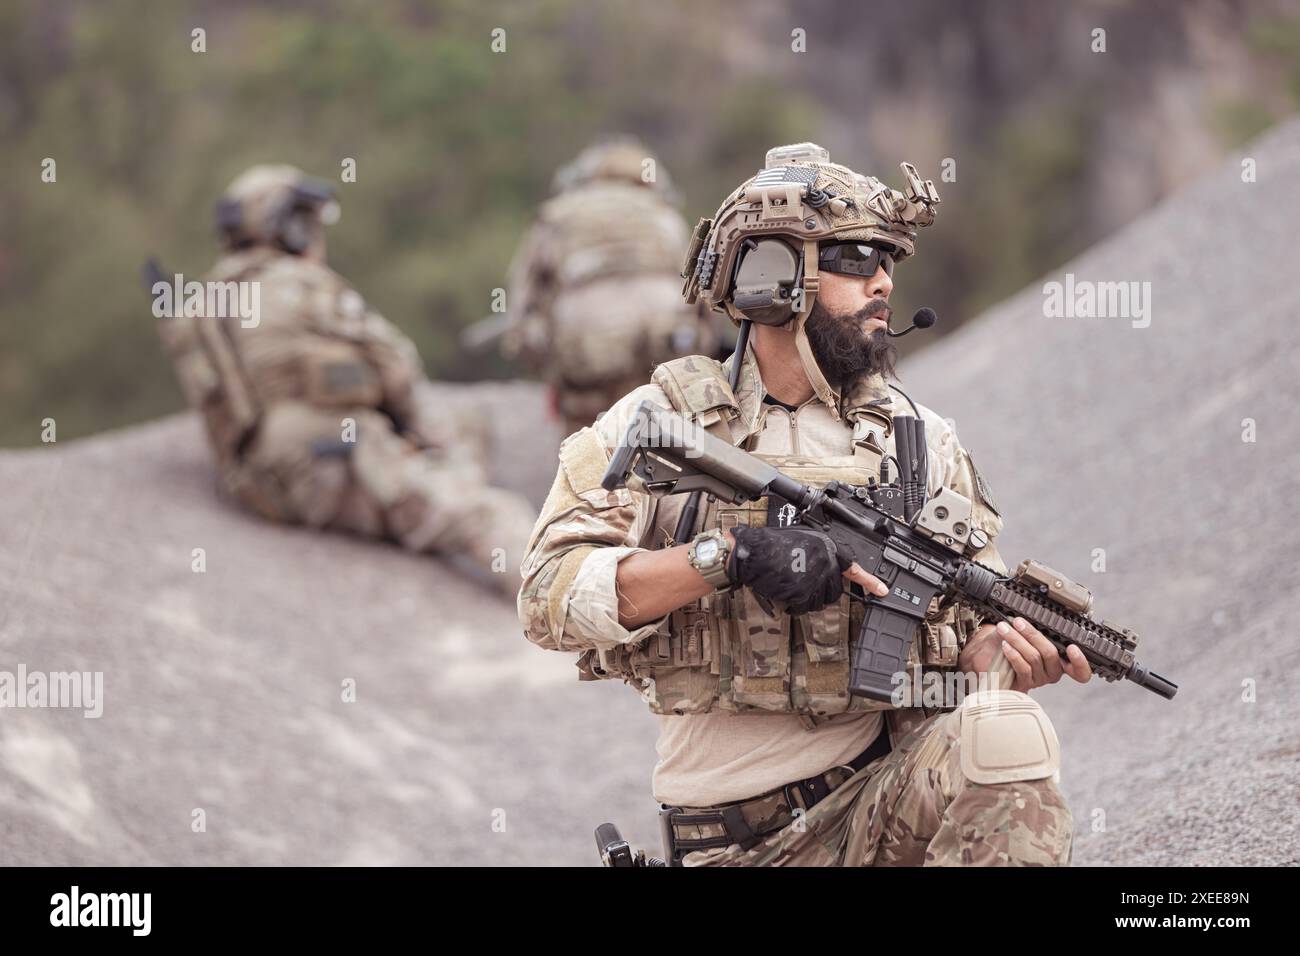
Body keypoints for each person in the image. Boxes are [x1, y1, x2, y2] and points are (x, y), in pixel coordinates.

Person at [518, 143, 1092, 865]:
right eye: (854, 256)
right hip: (734, 842)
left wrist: (998, 661)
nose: (883, 280)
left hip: (883, 806)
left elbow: (967, 643)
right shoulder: (661, 420)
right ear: (770, 275)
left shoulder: (918, 439)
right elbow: (546, 597)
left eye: (890, 259)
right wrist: (729, 557)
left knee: (1004, 730)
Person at [156, 164, 535, 597]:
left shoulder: (199, 304)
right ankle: (559, 610)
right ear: (290, 229)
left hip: (258, 485)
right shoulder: (302, 285)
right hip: (333, 464)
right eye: (311, 224)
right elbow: (396, 367)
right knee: (488, 513)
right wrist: (422, 439)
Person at [501, 136, 722, 436]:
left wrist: (544, 361)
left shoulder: (558, 216)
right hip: (657, 372)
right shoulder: (665, 217)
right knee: (655, 458)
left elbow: (523, 310)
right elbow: (700, 297)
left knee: (584, 461)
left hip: (584, 378)